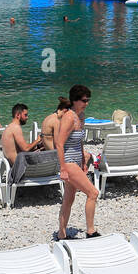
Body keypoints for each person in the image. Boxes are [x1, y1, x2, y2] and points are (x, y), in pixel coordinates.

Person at [55, 85, 98, 241]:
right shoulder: (69, 117)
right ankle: (91, 231)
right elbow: (59, 144)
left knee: (69, 198)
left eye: (88, 100)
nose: (86, 103)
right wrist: (63, 168)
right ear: (74, 100)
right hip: (67, 161)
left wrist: (83, 161)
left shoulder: (81, 116)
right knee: (93, 193)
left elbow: (79, 141)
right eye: (83, 100)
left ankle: (62, 235)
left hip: (76, 161)